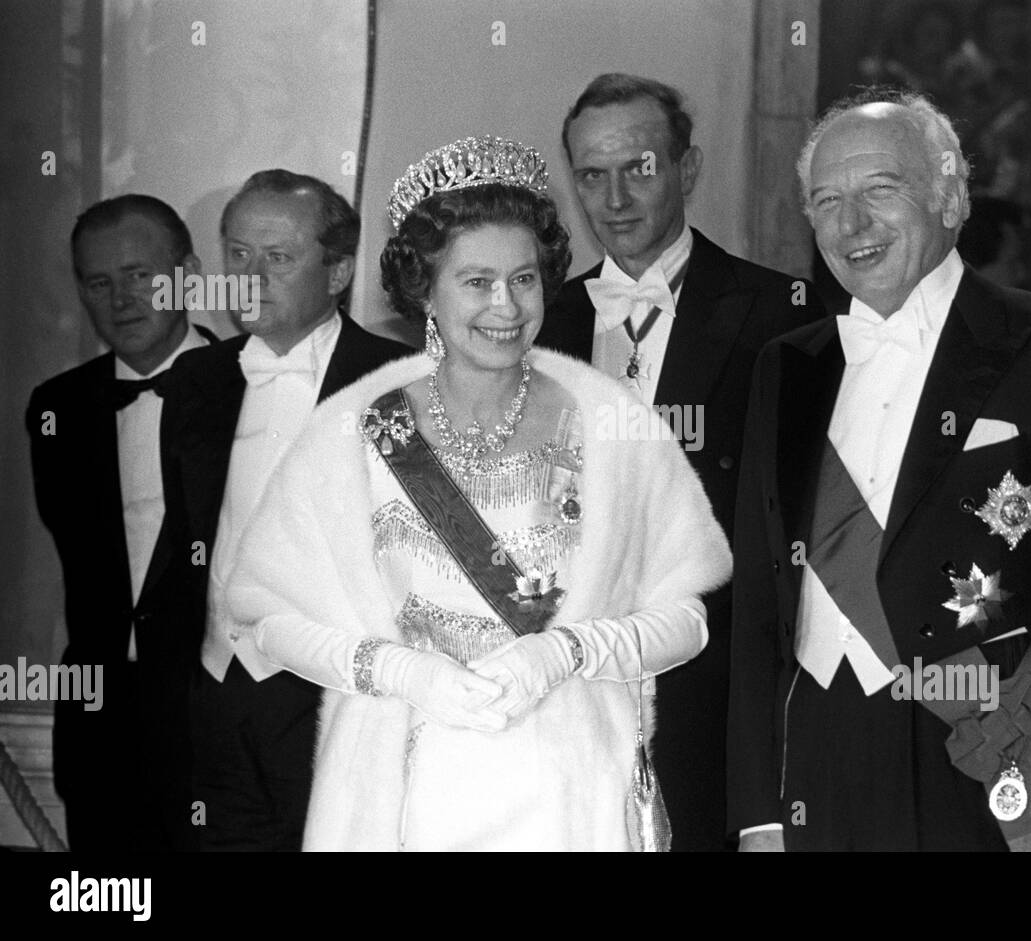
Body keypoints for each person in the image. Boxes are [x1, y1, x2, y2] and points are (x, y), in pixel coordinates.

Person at [224, 137, 731, 851]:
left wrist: (570, 651)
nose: (506, 305)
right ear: (424, 289)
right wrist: (398, 668)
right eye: (476, 281)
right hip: (403, 792)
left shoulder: (612, 422)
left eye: (523, 279)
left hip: (572, 792)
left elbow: (688, 620)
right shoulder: (358, 430)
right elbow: (269, 618)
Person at [728, 88, 1031, 851]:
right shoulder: (786, 368)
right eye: (825, 200)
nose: (850, 224)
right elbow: (758, 605)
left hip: (980, 749)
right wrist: (759, 812)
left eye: (879, 190)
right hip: (819, 756)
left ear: (952, 196)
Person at [535, 73, 824, 850]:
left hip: (719, 698)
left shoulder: (783, 316)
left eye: (641, 168)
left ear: (687, 170)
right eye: (593, 175)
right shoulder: (538, 324)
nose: (616, 198)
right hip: (568, 699)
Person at [159, 170, 411, 851]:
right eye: (238, 254)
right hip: (216, 696)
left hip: (335, 700)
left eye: (278, 257)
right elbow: (181, 543)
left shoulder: (401, 379)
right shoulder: (196, 379)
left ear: (337, 272)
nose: (250, 275)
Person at [26, 194, 216, 850]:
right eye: (98, 282)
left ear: (188, 274)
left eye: (140, 275)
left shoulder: (257, 393)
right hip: (102, 739)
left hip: (223, 736)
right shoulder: (56, 410)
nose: (121, 299)